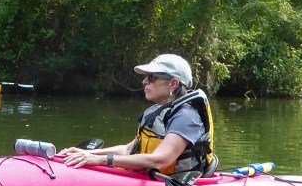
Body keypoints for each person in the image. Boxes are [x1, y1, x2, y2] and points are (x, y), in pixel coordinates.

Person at [59, 53, 217, 176]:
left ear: (173, 83)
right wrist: (86, 153)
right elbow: (127, 150)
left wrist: (100, 160)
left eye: (152, 77)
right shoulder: (160, 111)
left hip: (176, 185)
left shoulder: (187, 116)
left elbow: (160, 160)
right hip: (153, 178)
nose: (144, 82)